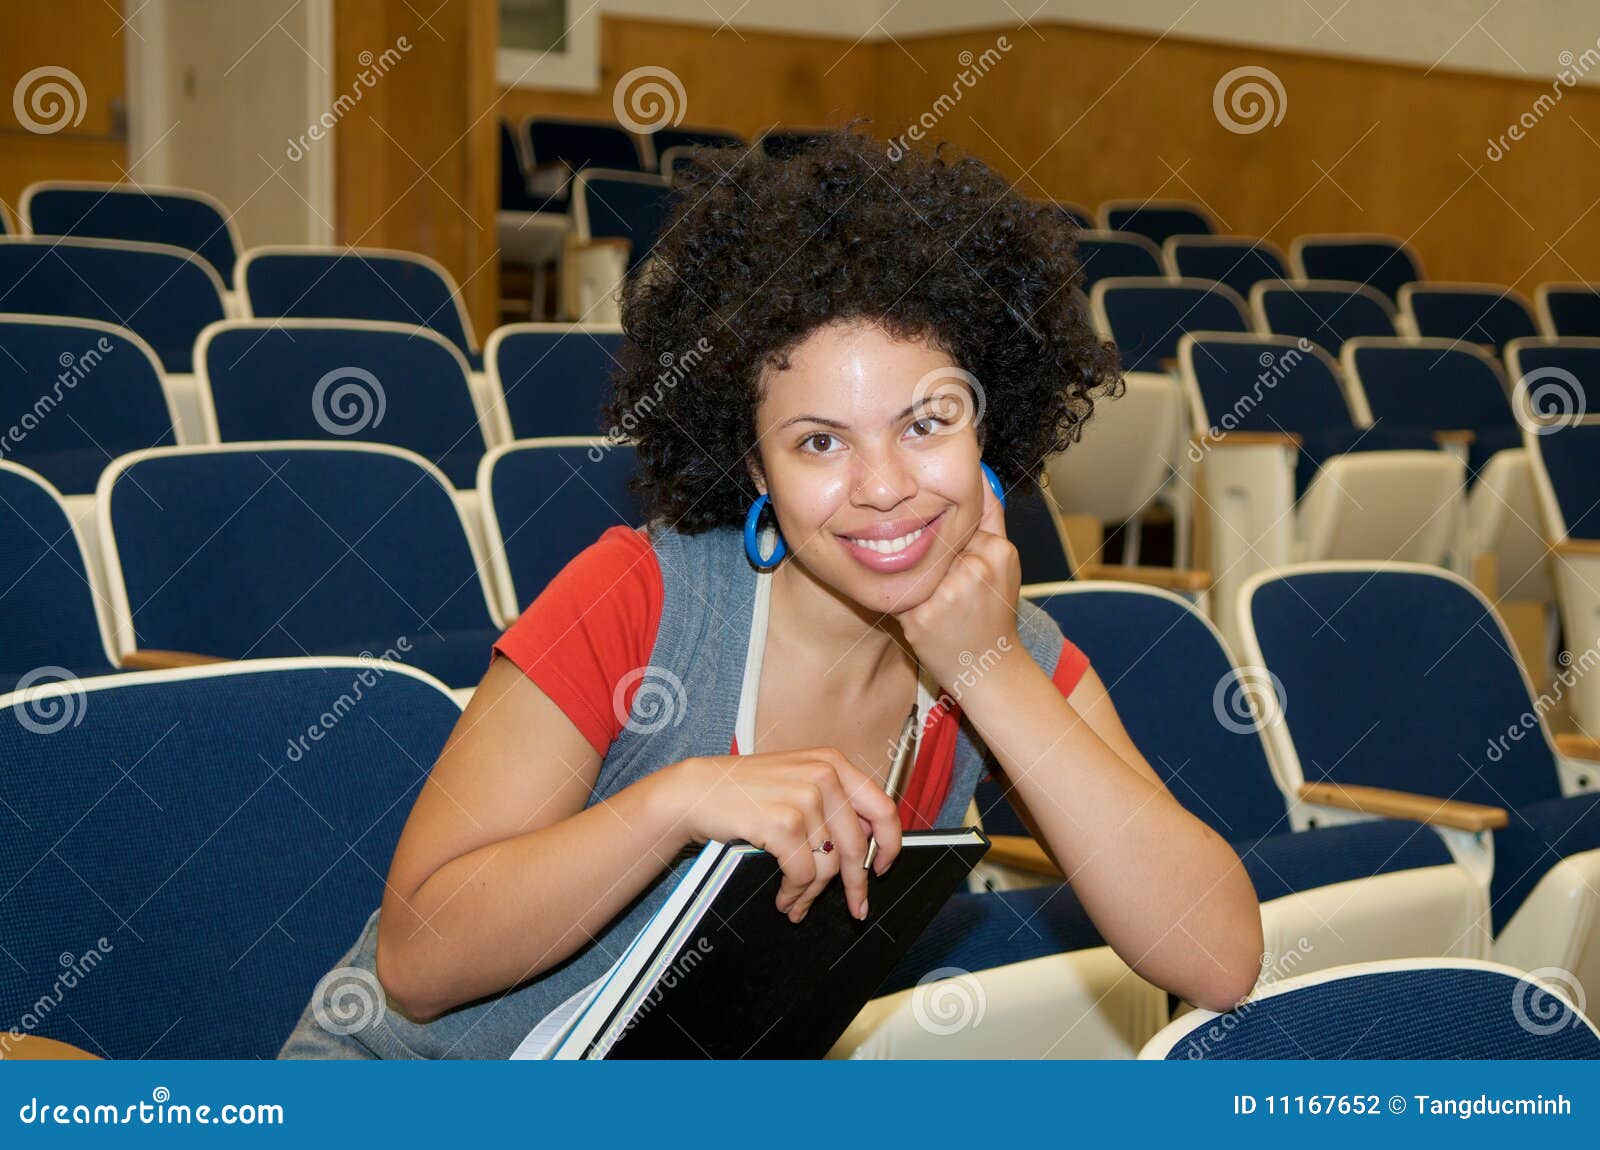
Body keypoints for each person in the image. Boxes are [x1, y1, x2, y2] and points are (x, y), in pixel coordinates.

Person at [279, 127, 1262, 1059]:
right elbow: (415, 963)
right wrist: (680, 802)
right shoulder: (639, 595)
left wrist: (986, 670)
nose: (881, 485)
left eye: (926, 423)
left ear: (987, 432)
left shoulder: (1010, 648)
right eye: (819, 442)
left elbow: (1214, 955)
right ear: (754, 466)